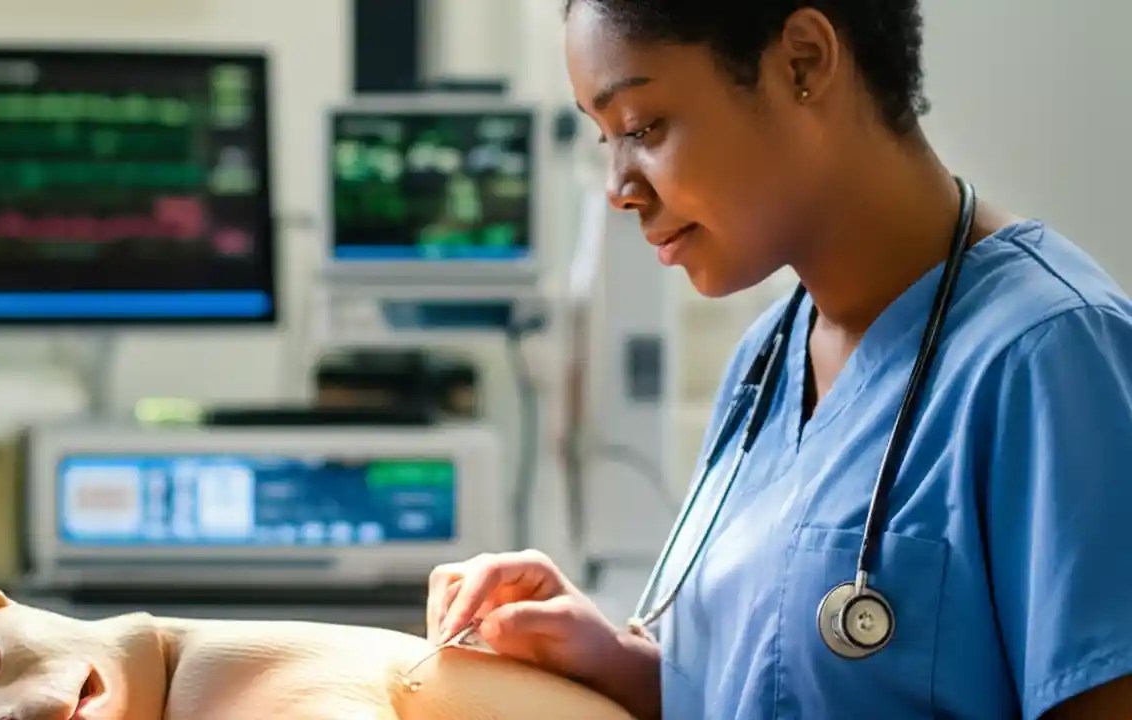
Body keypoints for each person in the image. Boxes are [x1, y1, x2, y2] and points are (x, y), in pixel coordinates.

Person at [425, 1, 1132, 719]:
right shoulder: (764, 364)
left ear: (803, 60)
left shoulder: (1052, 357)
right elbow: (764, 690)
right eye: (605, 138)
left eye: (642, 127)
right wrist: (610, 661)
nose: (619, 189)